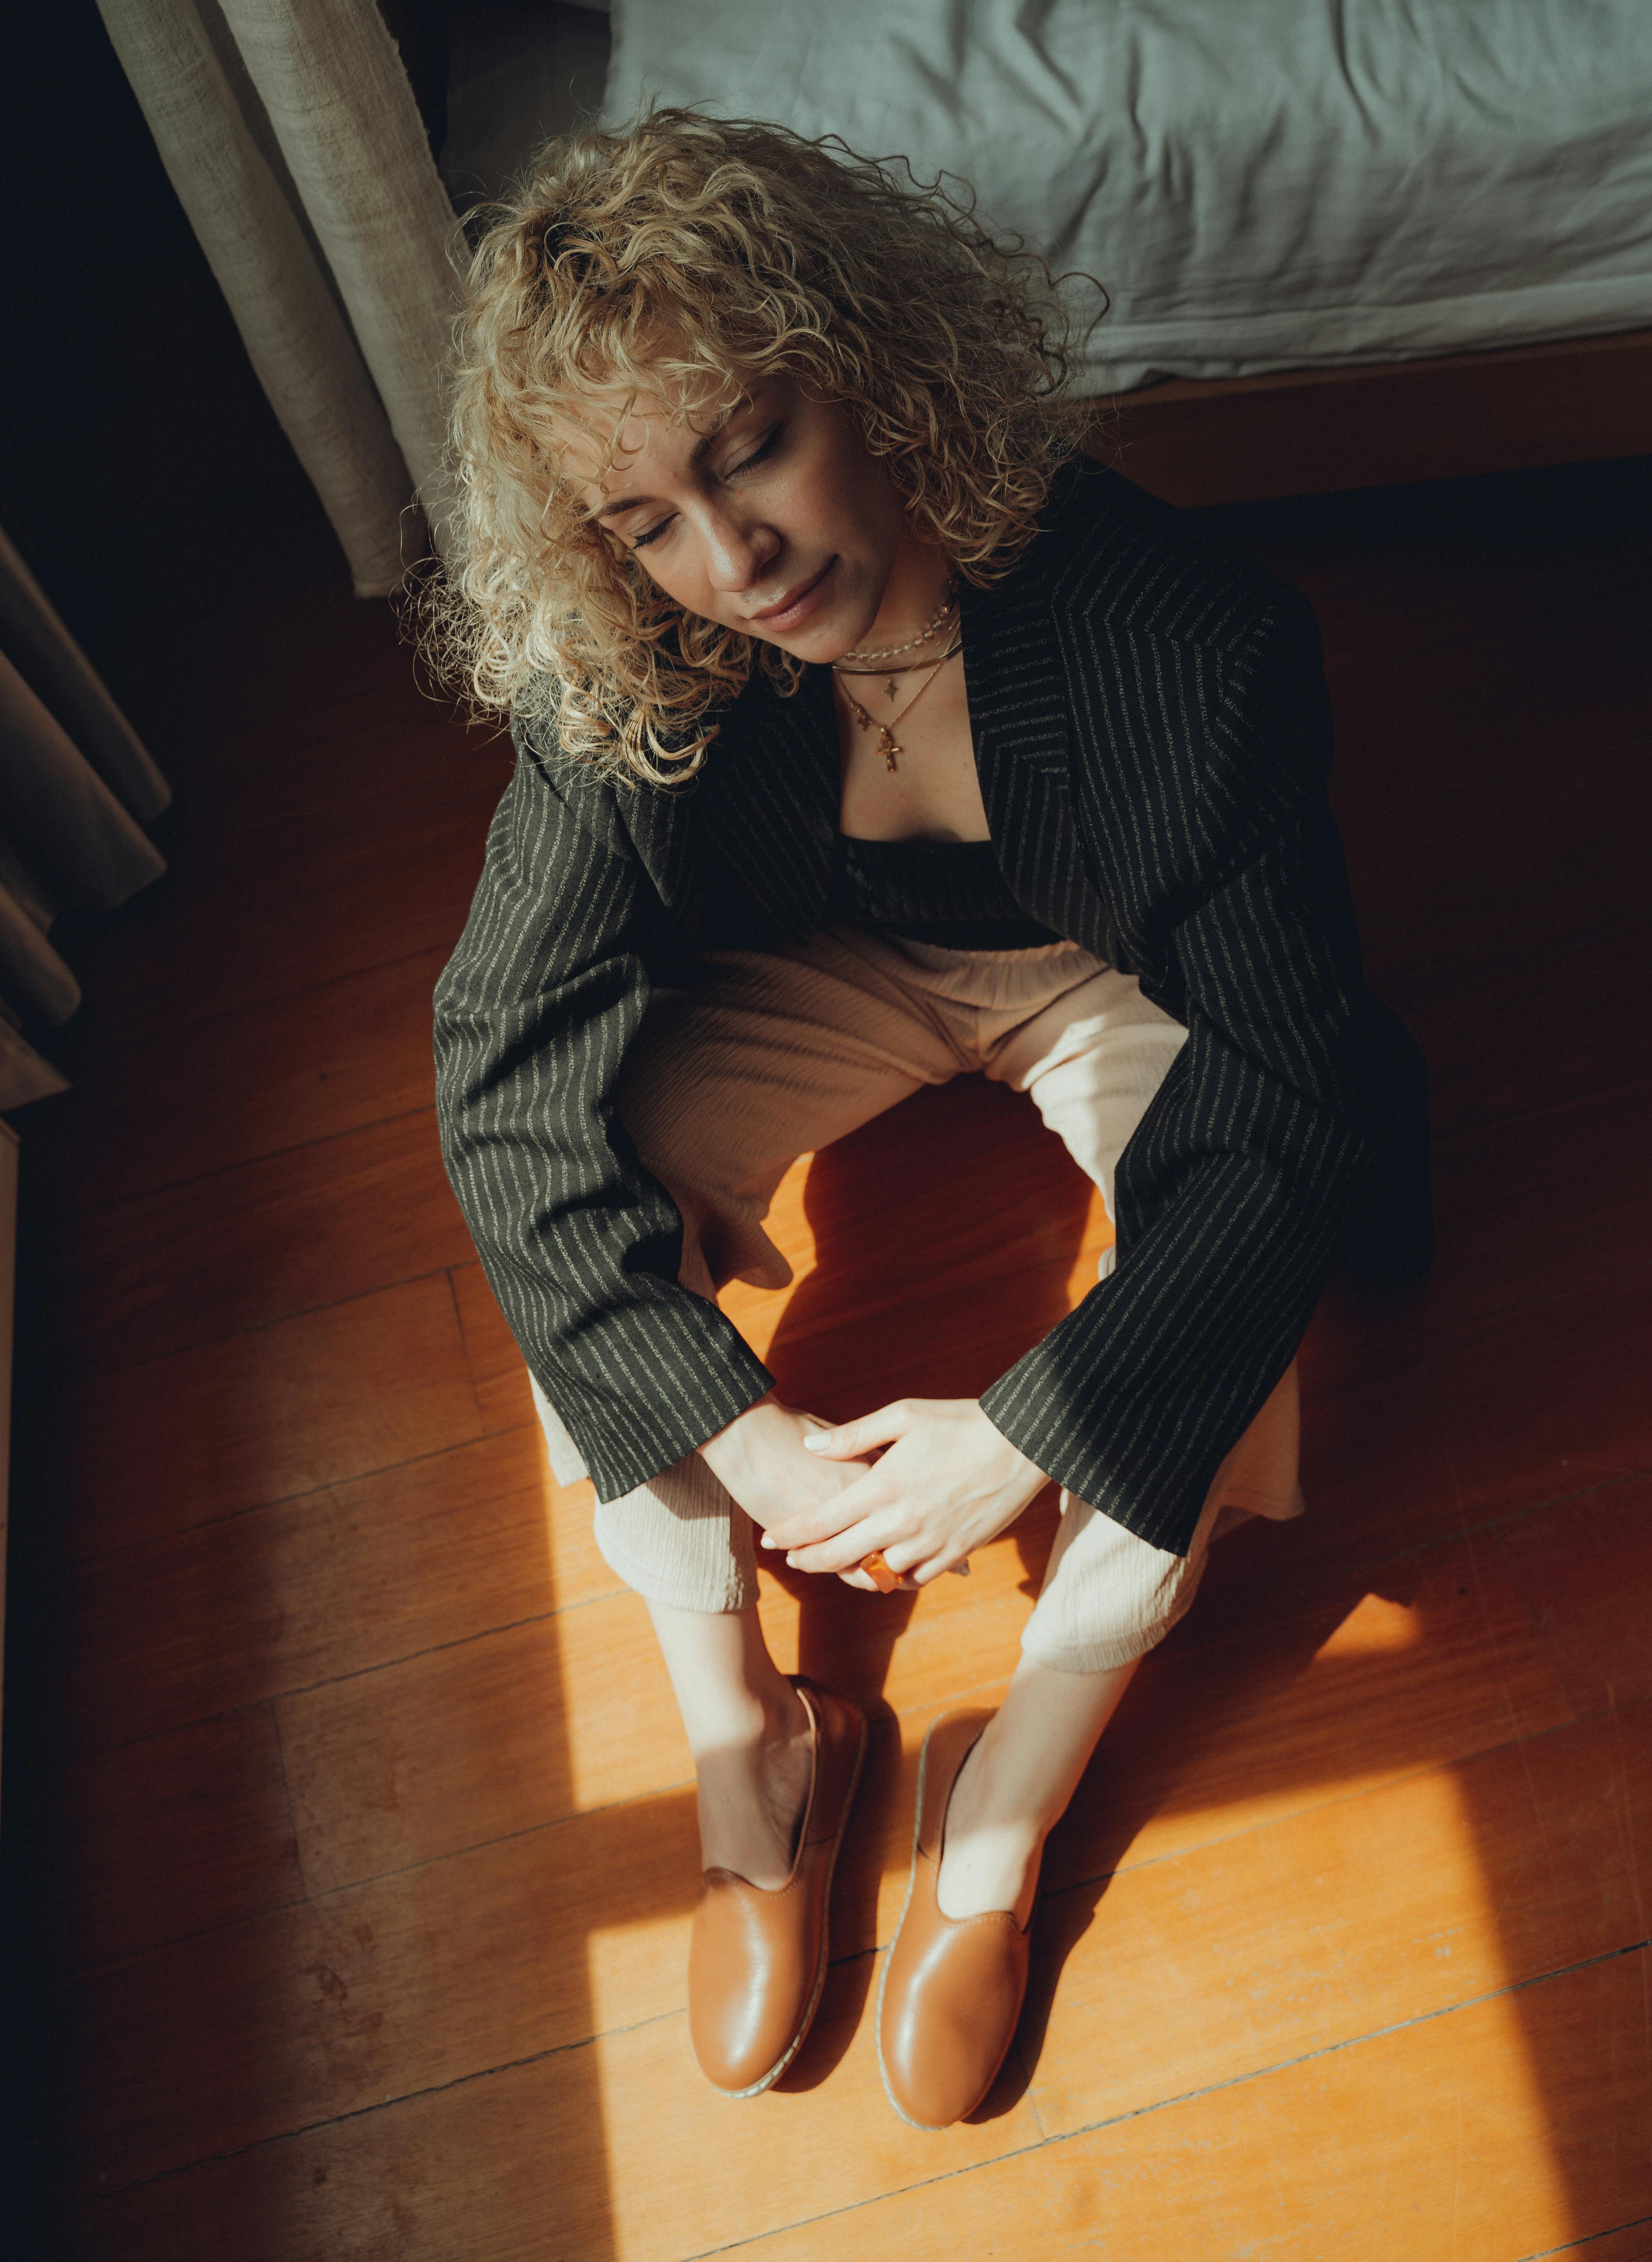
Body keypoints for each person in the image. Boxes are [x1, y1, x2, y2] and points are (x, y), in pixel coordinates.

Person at [431, 110, 1432, 2129]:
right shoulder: (632, 650)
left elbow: (1292, 1089)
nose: (731, 563)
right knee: (578, 1198)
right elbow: (499, 1058)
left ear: (873, 369)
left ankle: (1005, 1799)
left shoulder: (1195, 644)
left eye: (751, 450)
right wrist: (727, 1424)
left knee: (1218, 1321)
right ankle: (755, 1750)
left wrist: (1031, 1429)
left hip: (1109, 973)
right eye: (644, 519)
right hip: (821, 963)